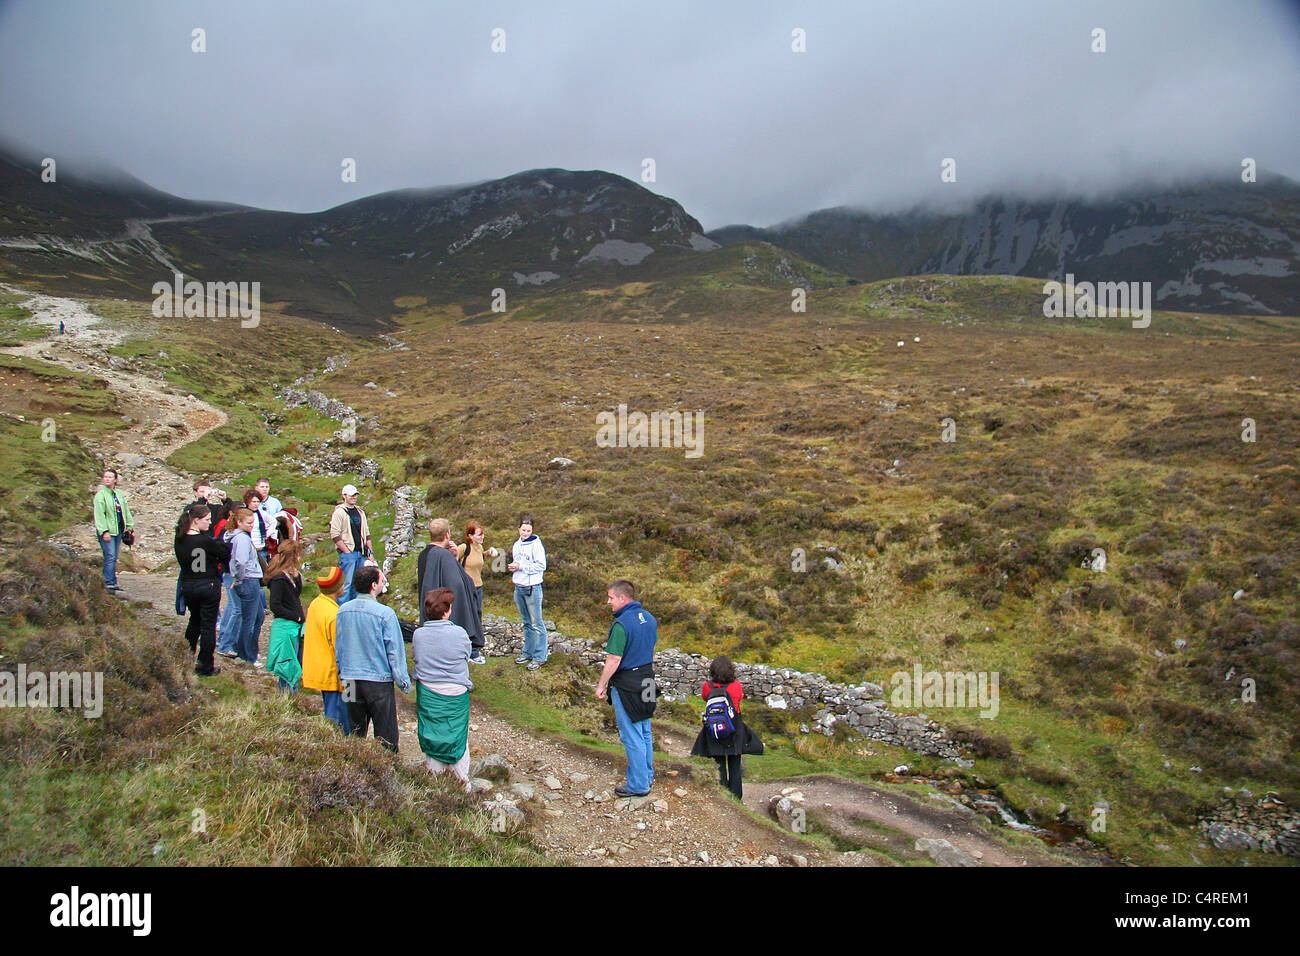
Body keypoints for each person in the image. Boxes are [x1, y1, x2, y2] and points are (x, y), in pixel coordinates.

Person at [334, 564, 410, 750]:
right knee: (386, 734)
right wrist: (403, 681)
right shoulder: (385, 614)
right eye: (381, 581)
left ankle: (353, 768)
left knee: (353, 730)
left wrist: (341, 671)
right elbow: (394, 650)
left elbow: (339, 646)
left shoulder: (343, 610)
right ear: (373, 585)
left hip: (349, 679)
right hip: (377, 681)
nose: (383, 583)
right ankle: (387, 772)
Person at [595, 580, 658, 797]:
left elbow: (614, 658)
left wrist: (601, 685)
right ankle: (646, 774)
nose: (608, 602)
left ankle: (639, 784)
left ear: (623, 598)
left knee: (632, 735)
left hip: (628, 684)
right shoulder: (649, 618)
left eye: (611, 598)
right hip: (648, 680)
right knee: (644, 729)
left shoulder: (622, 624)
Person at [412, 587, 473, 789]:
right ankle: (461, 779)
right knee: (457, 733)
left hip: (428, 692)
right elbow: (467, 654)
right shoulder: (460, 633)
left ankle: (434, 777)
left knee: (433, 730)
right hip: (455, 692)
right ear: (446, 610)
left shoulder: (418, 635)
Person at [690, 655, 764, 799]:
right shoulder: (736, 686)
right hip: (734, 729)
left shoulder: (707, 686)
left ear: (712, 671)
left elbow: (705, 698)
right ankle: (736, 797)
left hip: (714, 730)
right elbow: (739, 698)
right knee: (735, 765)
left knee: (719, 763)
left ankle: (723, 795)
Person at [175, 502, 230, 677]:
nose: (209, 523)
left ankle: (186, 655)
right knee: (208, 626)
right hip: (207, 584)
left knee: (195, 621)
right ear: (196, 520)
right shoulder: (204, 540)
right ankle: (205, 665)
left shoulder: (180, 539)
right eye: (206, 520)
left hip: (189, 584)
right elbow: (224, 553)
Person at [419, 518, 485, 663]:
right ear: (447, 535)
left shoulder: (423, 555)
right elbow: (461, 584)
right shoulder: (444, 556)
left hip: (428, 611)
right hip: (441, 614)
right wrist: (454, 559)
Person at [302, 566, 350, 734]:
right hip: (335, 676)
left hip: (319, 669)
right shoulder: (335, 614)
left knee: (332, 710)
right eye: (342, 583)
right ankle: (341, 748)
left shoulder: (316, 604)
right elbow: (340, 648)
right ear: (337, 587)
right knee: (340, 717)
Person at [454, 520, 499, 662]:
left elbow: (478, 558)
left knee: (477, 617)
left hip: (478, 588)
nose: (482, 537)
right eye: (479, 535)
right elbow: (452, 561)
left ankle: (472, 650)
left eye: (483, 534)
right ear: (470, 535)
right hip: (466, 589)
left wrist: (488, 553)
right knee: (469, 619)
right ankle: (472, 653)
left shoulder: (479, 547)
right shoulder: (463, 547)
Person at [264, 540, 305, 692]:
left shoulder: (288, 576)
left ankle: (291, 693)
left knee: (294, 662)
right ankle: (287, 695)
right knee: (287, 663)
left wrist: (297, 579)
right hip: (287, 627)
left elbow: (295, 595)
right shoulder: (279, 579)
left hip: (293, 627)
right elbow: (275, 605)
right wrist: (296, 617)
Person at [227, 507, 266, 666]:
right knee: (249, 619)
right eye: (249, 523)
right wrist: (239, 579)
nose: (252, 526)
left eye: (253, 523)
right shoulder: (242, 539)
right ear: (239, 522)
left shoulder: (240, 537)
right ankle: (247, 655)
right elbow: (240, 561)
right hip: (248, 580)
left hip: (249, 579)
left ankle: (246, 650)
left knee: (258, 617)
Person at [508, 515, 547, 669]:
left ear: (532, 530)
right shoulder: (516, 545)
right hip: (519, 586)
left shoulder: (537, 545)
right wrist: (514, 567)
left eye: (528, 530)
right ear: (519, 529)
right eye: (523, 530)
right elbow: (518, 562)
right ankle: (527, 653)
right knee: (526, 622)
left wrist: (522, 567)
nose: (525, 533)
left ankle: (539, 656)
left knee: (537, 622)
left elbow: (541, 565)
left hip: (532, 588)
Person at [93, 468, 134, 593]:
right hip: (108, 531)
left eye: (110, 477)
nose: (107, 479)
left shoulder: (119, 494)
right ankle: (108, 582)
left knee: (114, 556)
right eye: (105, 477)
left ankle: (112, 581)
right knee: (110, 555)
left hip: (118, 530)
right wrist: (104, 531)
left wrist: (129, 526)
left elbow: (125, 510)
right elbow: (99, 514)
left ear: (115, 480)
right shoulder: (100, 495)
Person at [330, 484, 371, 604]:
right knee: (346, 585)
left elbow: (367, 533)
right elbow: (335, 534)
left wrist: (370, 551)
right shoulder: (339, 512)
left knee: (358, 586)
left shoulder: (360, 512)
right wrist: (346, 551)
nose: (354, 497)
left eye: (355, 495)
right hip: (349, 555)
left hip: (361, 553)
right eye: (351, 495)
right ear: (344, 496)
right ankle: (341, 611)